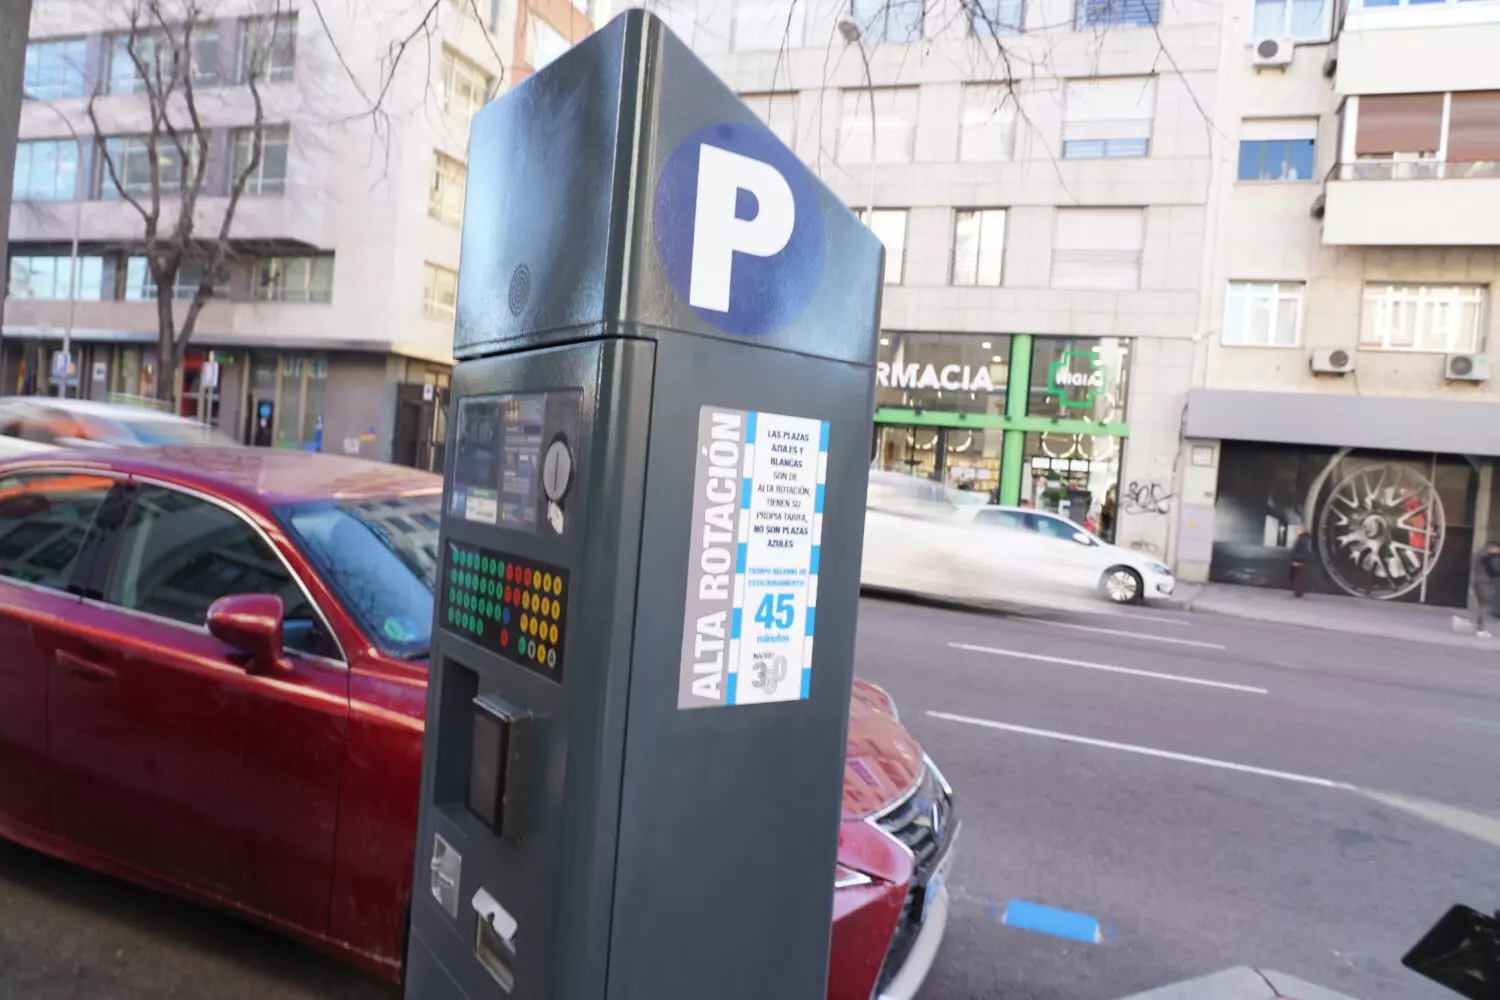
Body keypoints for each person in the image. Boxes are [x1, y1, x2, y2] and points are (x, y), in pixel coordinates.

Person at [1471, 541, 1500, 638]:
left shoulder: (1480, 555)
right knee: (1484, 606)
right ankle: (1481, 628)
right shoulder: (1485, 557)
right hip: (1484, 583)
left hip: (1479, 582)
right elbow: (1492, 570)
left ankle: (1480, 627)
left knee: (1482, 605)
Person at [1288, 525, 1313, 598]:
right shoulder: (1303, 538)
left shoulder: (1303, 539)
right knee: (1297, 576)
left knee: (1298, 577)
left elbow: (1302, 551)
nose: (1294, 531)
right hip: (1299, 559)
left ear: (1301, 530)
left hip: (1299, 560)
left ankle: (1298, 593)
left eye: (1296, 529)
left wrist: (1295, 558)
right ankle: (1298, 592)